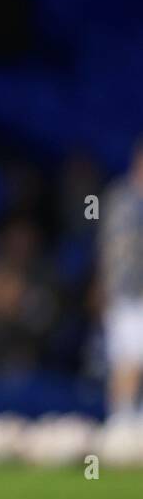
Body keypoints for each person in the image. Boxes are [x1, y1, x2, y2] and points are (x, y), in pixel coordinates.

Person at [99, 140, 143, 428]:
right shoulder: (122, 199)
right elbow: (116, 254)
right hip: (127, 297)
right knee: (127, 360)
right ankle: (121, 423)